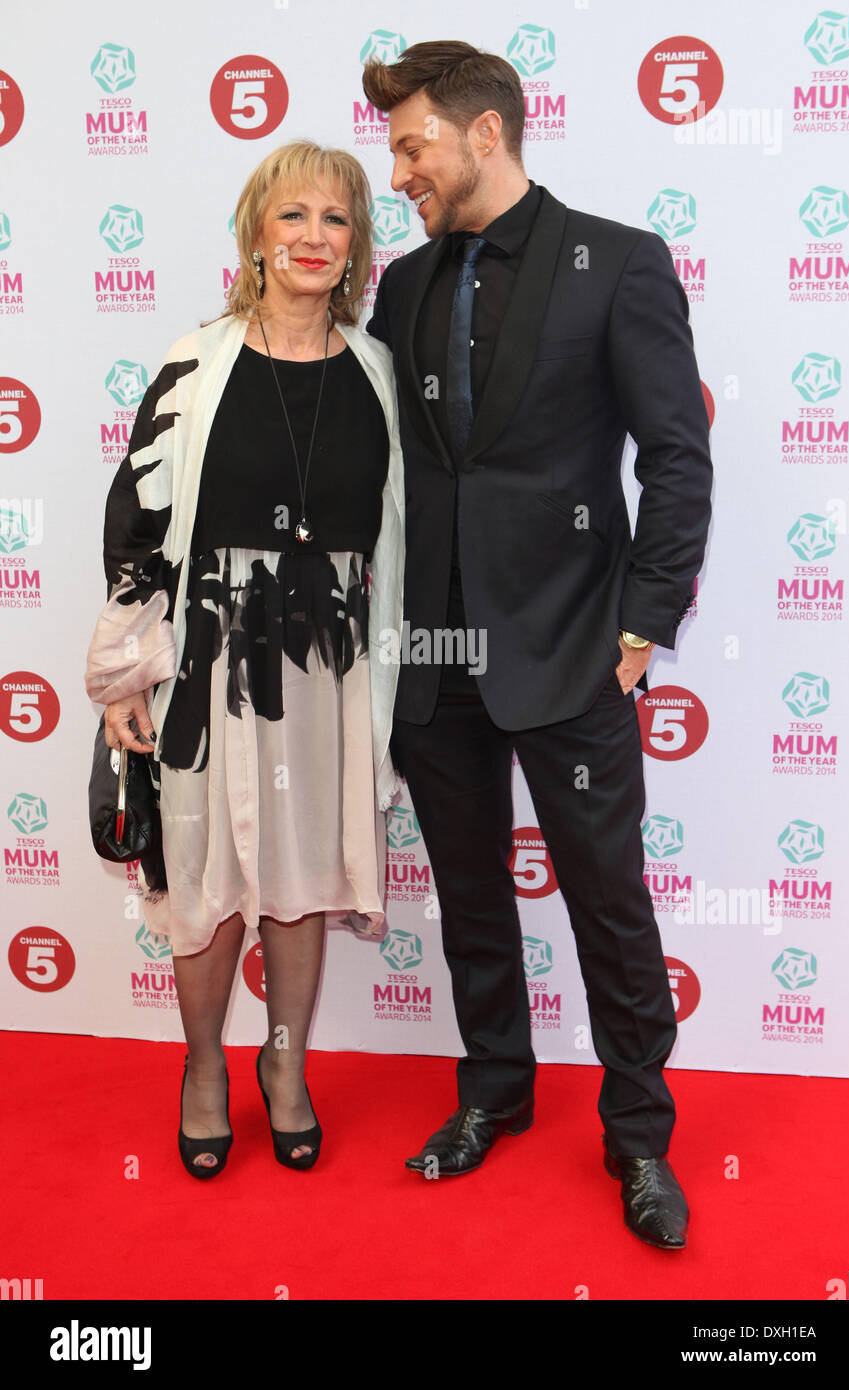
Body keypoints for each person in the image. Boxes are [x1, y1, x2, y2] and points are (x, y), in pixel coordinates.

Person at [363, 42, 712, 1248]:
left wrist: (642, 621)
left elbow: (673, 453)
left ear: (484, 135)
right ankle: (492, 1094)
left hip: (570, 648)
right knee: (469, 897)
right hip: (435, 652)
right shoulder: (402, 288)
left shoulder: (614, 263)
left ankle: (638, 1136)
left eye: (412, 143)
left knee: (607, 902)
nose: (397, 168)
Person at [85, 142, 404, 1178]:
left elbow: (395, 535)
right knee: (207, 879)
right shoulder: (197, 361)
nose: (314, 236)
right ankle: (203, 1069)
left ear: (356, 244)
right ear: (255, 235)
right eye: (293, 216)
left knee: (301, 879)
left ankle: (284, 1064)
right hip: (209, 667)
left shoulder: (376, 372)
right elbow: (138, 521)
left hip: (329, 667)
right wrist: (125, 671)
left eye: (337, 219)